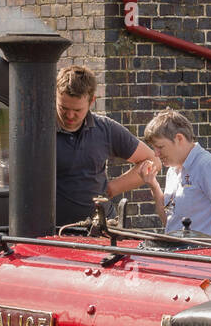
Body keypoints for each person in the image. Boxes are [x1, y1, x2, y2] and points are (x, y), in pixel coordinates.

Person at [55, 65, 163, 226]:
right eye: (63, 108)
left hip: (99, 230)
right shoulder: (38, 129)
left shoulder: (105, 129)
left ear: (92, 101)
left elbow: (152, 160)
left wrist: (111, 189)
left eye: (77, 110)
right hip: (52, 231)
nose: (70, 115)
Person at [140, 109, 211, 238]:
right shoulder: (173, 170)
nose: (156, 154)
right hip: (177, 252)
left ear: (179, 138)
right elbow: (170, 221)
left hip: (199, 254)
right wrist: (153, 185)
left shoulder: (208, 165)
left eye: (160, 147)